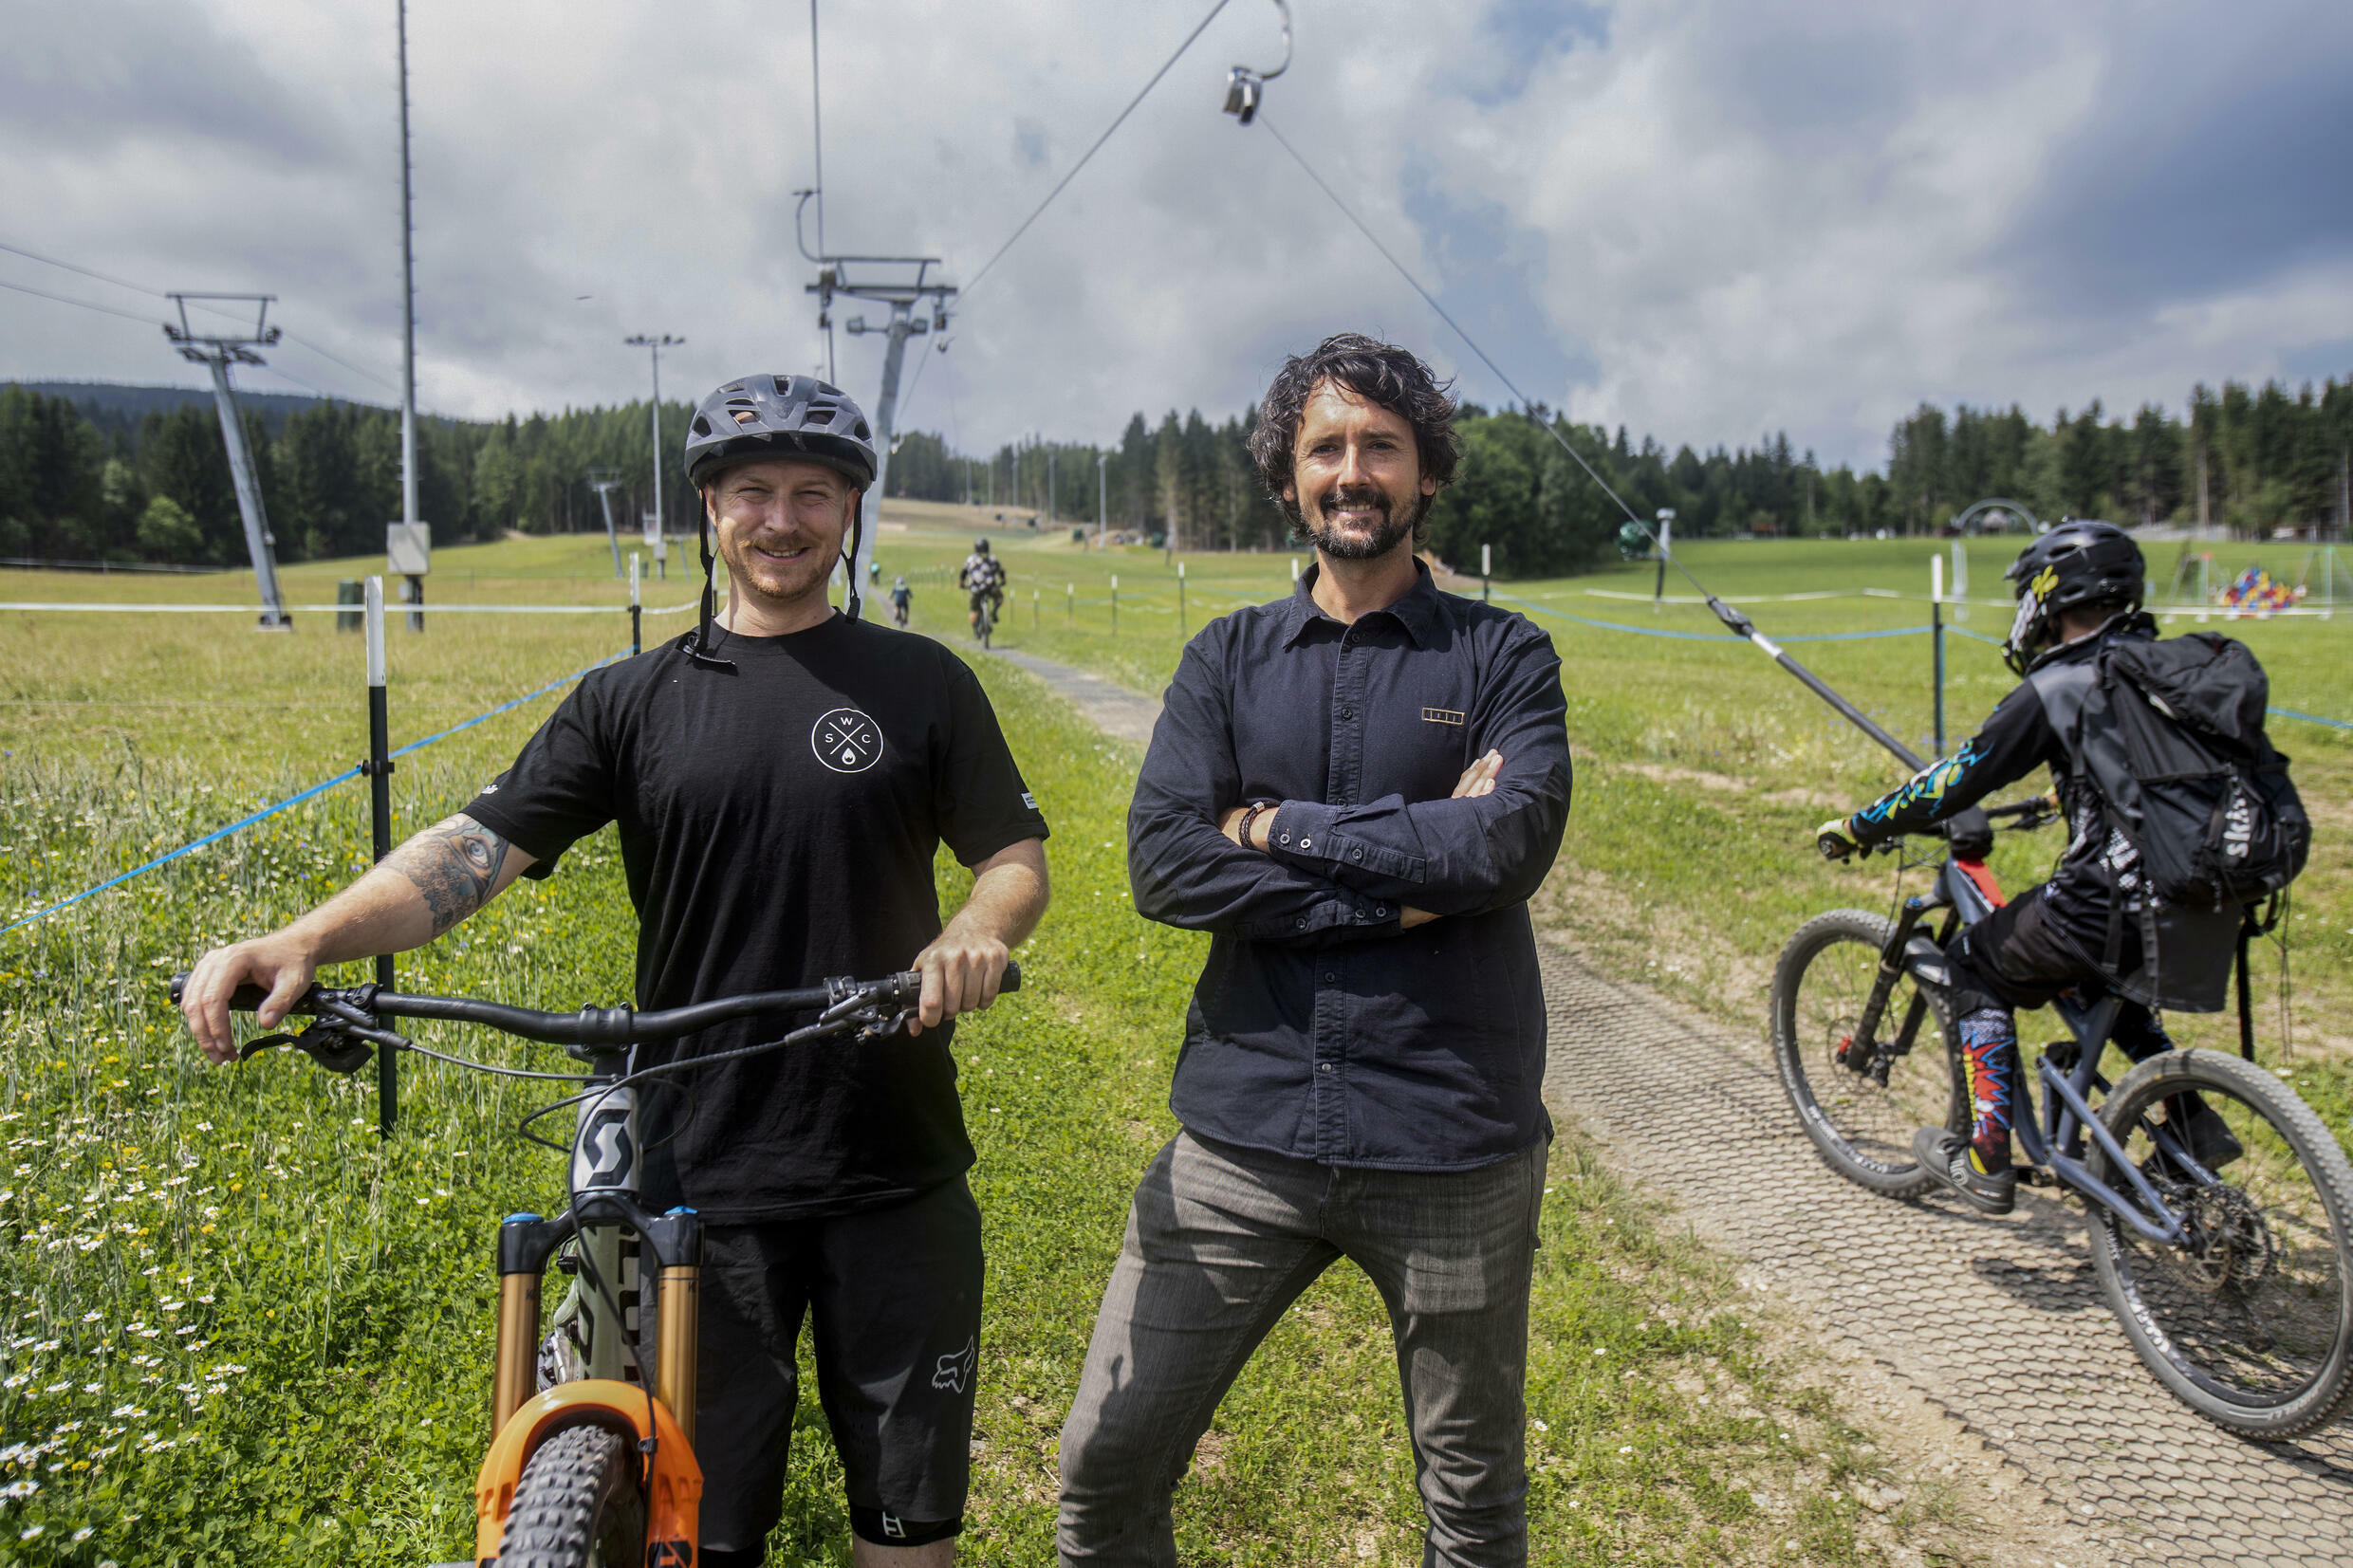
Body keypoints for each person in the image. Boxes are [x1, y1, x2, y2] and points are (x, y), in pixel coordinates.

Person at [177, 373, 1051, 1567]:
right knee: (699, 1530)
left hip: (894, 1162)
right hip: (695, 1177)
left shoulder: (922, 682)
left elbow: (1011, 857)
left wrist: (973, 933)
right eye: (752, 492)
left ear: (850, 511)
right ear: (709, 508)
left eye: (812, 493)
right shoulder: (630, 701)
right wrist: (306, 938)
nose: (781, 519)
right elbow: (474, 850)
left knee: (904, 1530)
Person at [1057, 334, 1572, 1567]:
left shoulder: (1503, 655)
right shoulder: (1225, 658)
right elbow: (1166, 865)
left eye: (1379, 446)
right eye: (1325, 448)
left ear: (1425, 472)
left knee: (1472, 1508)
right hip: (1243, 1135)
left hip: (1451, 1137)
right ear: (1288, 478)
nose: (1352, 472)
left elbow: (1502, 846)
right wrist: (1404, 890)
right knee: (1102, 1466)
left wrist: (1270, 824)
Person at [1813, 521, 2249, 1215]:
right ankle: (2191, 1117)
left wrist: (1860, 825)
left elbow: (1954, 781)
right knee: (2099, 973)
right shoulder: (2165, 667)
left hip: (2110, 901)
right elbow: (2152, 769)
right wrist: (2060, 794)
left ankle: (1986, 1155)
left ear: (2049, 598)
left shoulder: (2058, 683)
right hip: (2206, 894)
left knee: (1970, 963)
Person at [958, 538, 1006, 636]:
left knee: (973, 610)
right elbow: (1001, 571)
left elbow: (964, 572)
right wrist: (1003, 580)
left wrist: (962, 583)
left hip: (975, 589)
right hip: (991, 587)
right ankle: (994, 611)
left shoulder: (971, 559)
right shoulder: (992, 558)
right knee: (999, 598)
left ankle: (976, 630)